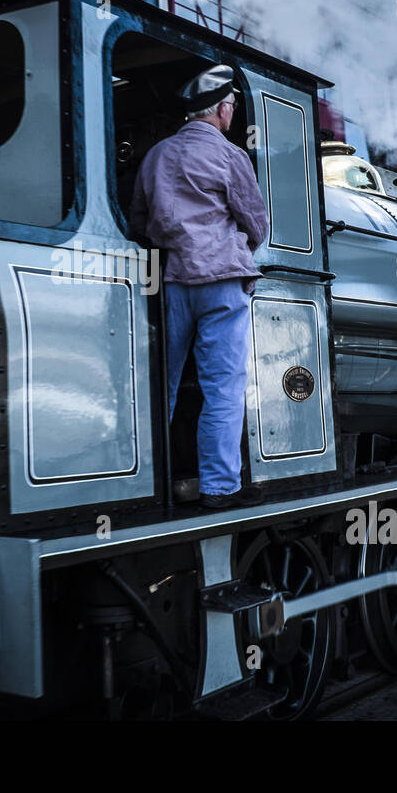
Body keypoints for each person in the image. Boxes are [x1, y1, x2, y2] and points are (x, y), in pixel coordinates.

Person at [130, 65, 268, 510]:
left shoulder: (155, 157)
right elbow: (257, 223)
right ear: (224, 110)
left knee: (162, 386)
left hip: (172, 282)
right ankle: (218, 487)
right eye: (231, 107)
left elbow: (137, 222)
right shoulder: (231, 156)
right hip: (222, 283)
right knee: (223, 388)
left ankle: (147, 484)